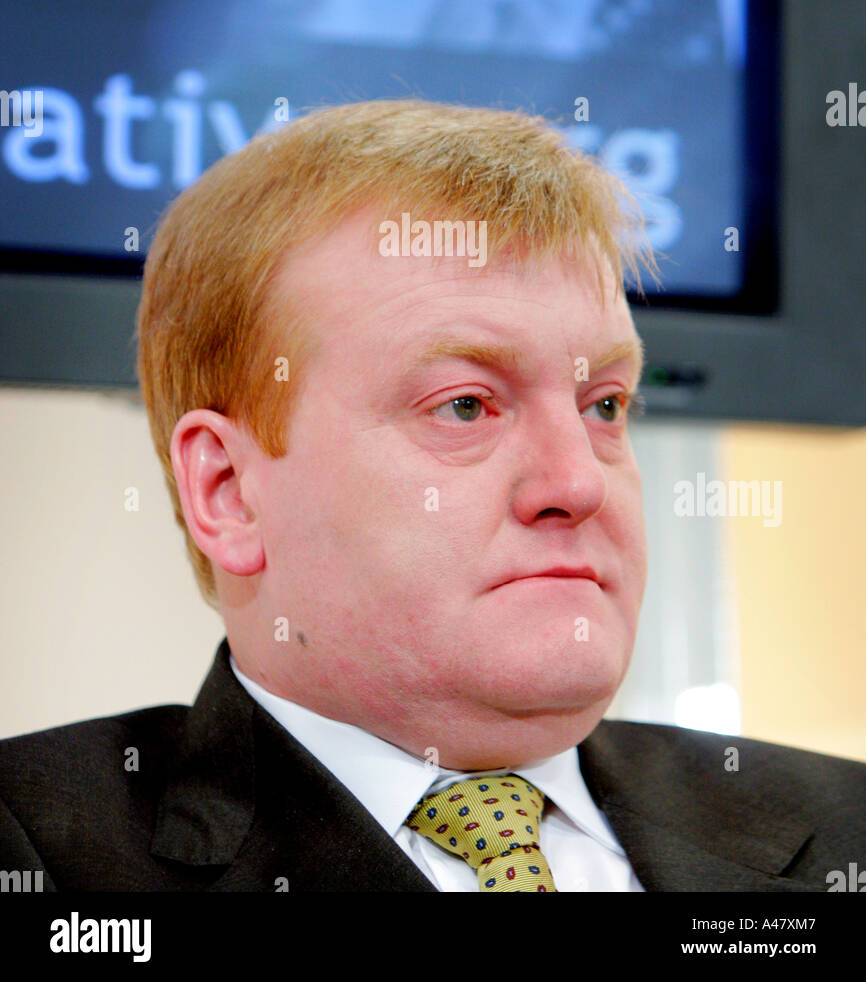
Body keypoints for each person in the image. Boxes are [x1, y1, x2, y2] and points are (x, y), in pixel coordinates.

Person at [0, 99, 863, 893]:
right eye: (464, 405)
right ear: (227, 492)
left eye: (604, 404)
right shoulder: (40, 850)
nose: (578, 482)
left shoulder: (844, 832)